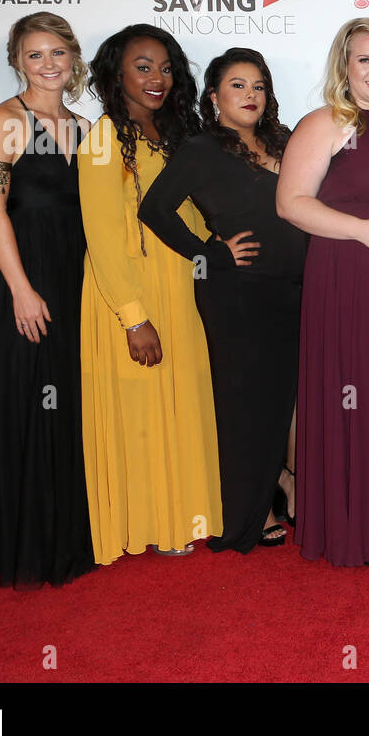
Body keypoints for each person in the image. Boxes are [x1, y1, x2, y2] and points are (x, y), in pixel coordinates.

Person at [140, 48, 307, 553]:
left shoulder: (288, 139)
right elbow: (155, 210)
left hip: (297, 286)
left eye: (258, 86)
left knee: (289, 399)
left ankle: (284, 482)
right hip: (239, 293)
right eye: (238, 86)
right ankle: (246, 515)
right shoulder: (200, 149)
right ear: (214, 97)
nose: (250, 95)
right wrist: (207, 253)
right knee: (245, 405)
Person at [277, 18, 369, 572]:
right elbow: (291, 203)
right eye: (364, 59)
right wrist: (361, 229)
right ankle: (349, 528)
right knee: (354, 391)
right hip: (347, 276)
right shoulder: (328, 122)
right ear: (345, 66)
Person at [77, 24, 221, 563]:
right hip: (129, 292)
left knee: (178, 401)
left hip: (182, 285)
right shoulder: (103, 139)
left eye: (164, 67)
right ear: (117, 74)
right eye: (142, 67)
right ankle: (145, 521)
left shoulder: (178, 134)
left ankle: (181, 514)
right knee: (140, 408)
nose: (156, 78)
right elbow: (104, 237)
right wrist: (133, 317)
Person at [0, 12, 95, 588]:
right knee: (30, 404)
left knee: (67, 404)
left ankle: (68, 539)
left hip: (75, 279)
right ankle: (30, 548)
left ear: (73, 59)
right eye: (34, 55)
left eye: (57, 53)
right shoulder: (5, 121)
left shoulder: (83, 124)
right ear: (17, 63)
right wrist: (21, 290)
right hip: (24, 280)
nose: (48, 65)